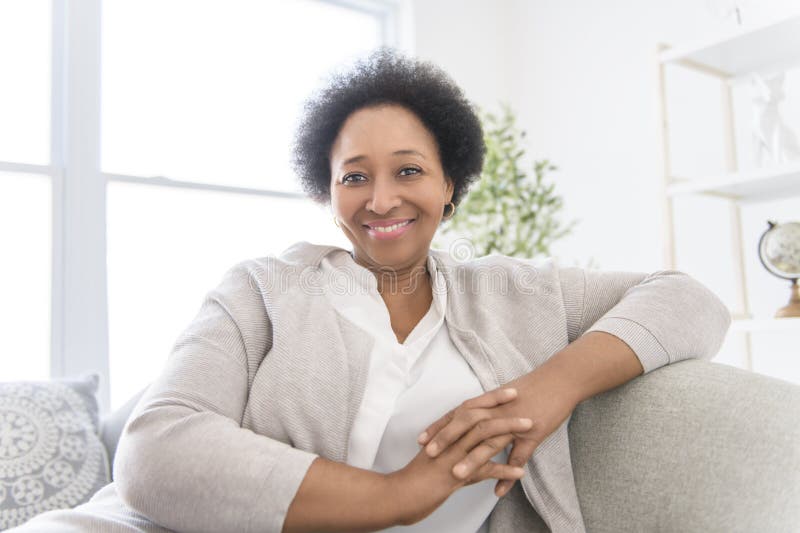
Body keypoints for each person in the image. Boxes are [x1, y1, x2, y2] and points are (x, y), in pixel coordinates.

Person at [10, 48, 731, 533]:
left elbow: (690, 298)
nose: (381, 198)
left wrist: (551, 387)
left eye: (409, 170)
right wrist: (398, 495)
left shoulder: (515, 292)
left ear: (451, 185)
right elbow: (153, 453)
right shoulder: (262, 287)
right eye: (355, 176)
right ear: (329, 193)